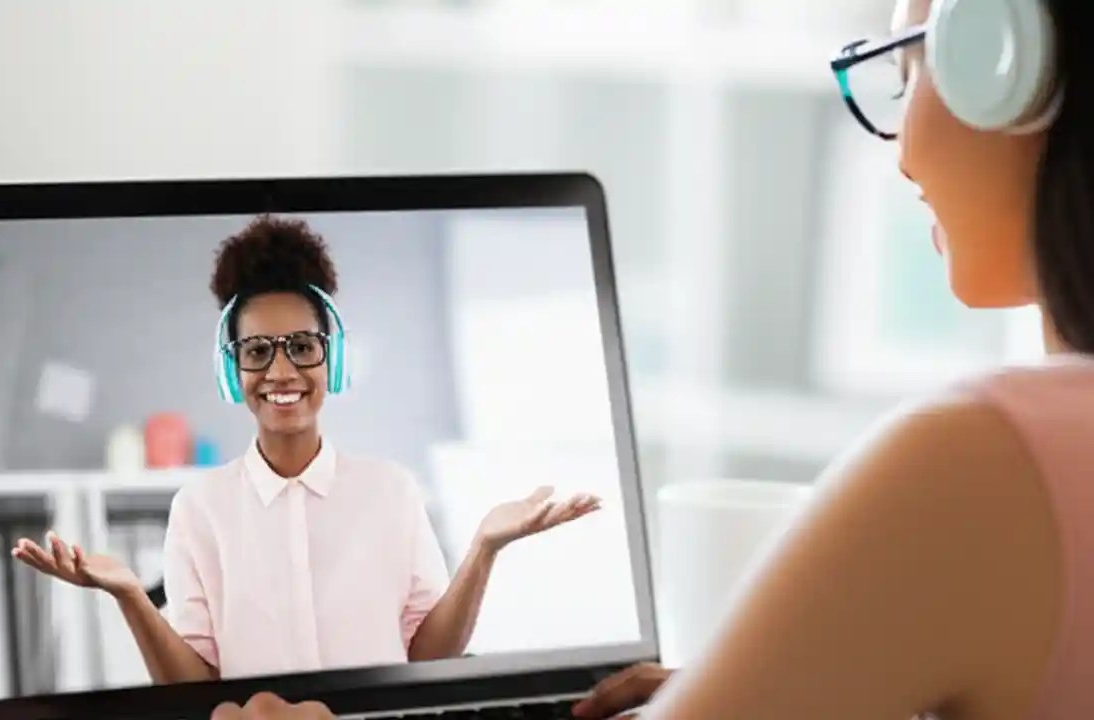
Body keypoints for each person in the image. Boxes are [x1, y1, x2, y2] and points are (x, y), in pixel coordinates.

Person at [204, 0, 1094, 716]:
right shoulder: (208, 506)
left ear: (1008, 61)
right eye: (259, 351)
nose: (898, 153)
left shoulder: (979, 463)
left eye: (906, 67)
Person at [11, 215, 601, 683]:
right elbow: (195, 685)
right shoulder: (200, 507)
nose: (281, 370)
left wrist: (483, 550)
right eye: (258, 351)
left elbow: (427, 658)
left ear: (332, 357)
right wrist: (132, 596)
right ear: (232, 370)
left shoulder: (390, 490)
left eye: (301, 346)